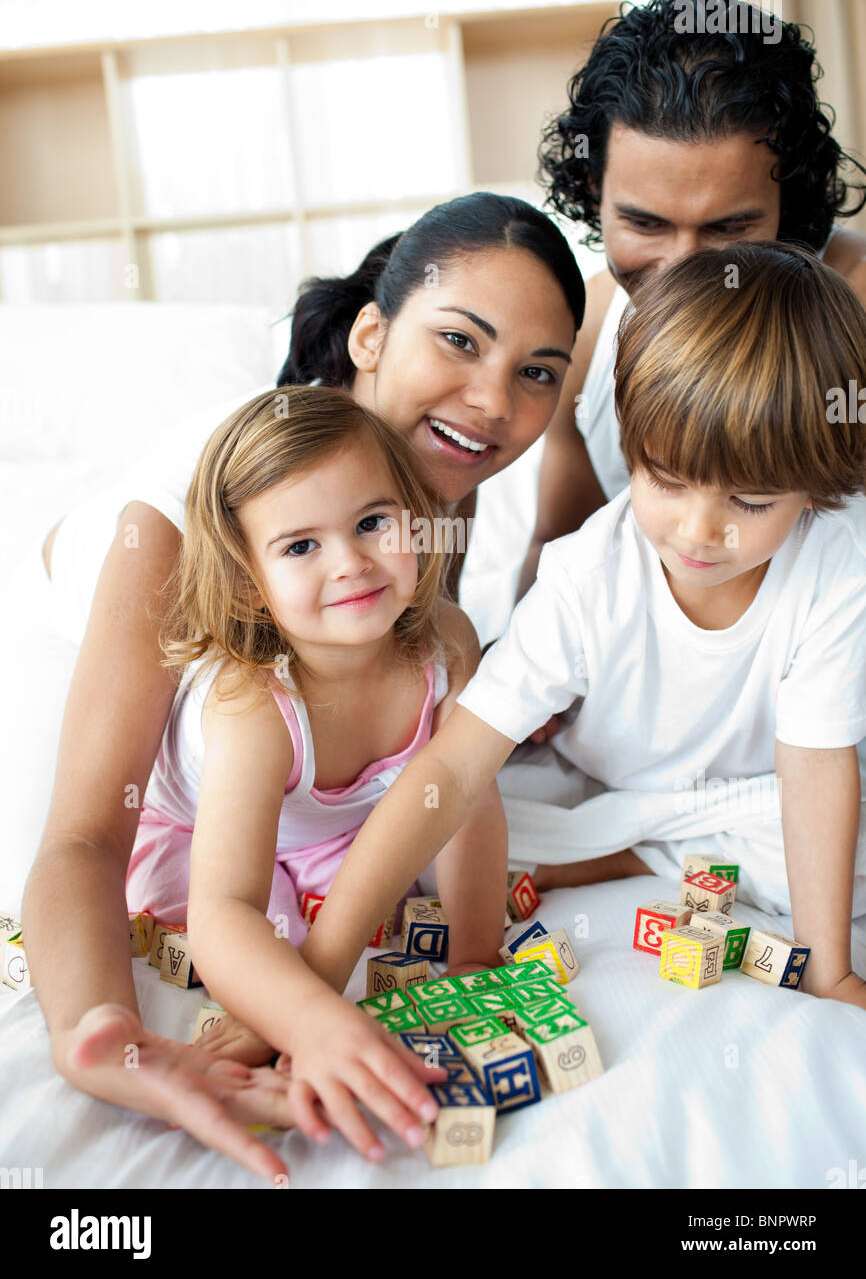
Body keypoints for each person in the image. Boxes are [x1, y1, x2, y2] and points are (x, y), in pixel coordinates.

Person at [23, 191, 583, 1180]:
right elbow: (83, 837)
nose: (494, 405)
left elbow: (434, 732)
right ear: (370, 336)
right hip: (101, 585)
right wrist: (107, 1037)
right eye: (458, 340)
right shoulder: (180, 540)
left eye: (535, 372)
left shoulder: (438, 473)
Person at [298, 244, 866, 1015]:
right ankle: (620, 851)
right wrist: (315, 978)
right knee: (436, 833)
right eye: (666, 480)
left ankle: (626, 856)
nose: (700, 533)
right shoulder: (588, 574)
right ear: (630, 439)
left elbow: (816, 767)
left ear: (817, 489)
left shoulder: (840, 561)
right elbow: (452, 769)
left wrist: (828, 971)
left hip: (750, 796)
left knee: (841, 845)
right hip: (594, 785)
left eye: (754, 503)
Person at [125, 383, 507, 1158]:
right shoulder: (251, 703)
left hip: (337, 827)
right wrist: (313, 1021)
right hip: (206, 832)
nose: (352, 564)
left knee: (400, 886)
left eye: (373, 522)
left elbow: (468, 803)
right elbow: (223, 908)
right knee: (270, 949)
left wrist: (474, 954)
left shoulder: (448, 644)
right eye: (301, 546)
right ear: (245, 579)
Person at [517, 0, 866, 608]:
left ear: (792, 197)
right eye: (645, 224)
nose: (682, 270)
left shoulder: (856, 305)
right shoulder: (585, 333)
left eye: (728, 228)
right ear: (594, 189)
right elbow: (558, 548)